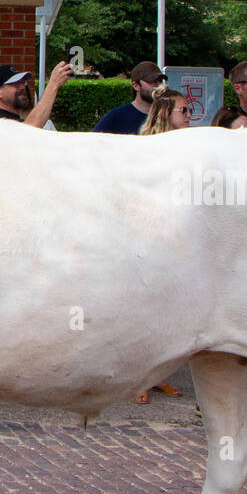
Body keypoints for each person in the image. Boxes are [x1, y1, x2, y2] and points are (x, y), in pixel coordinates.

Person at [133, 85, 190, 404]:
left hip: (175, 243)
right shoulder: (149, 149)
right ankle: (136, 379)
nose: (189, 117)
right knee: (141, 315)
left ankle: (156, 376)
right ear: (166, 114)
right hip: (147, 242)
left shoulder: (186, 149)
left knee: (165, 317)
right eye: (183, 111)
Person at [0, 62, 72, 128]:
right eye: (15, 84)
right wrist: (54, 84)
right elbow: (29, 131)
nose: (22, 87)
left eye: (23, 82)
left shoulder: (14, 120)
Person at [94, 61, 166, 135]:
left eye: (160, 81)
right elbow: (93, 141)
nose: (158, 86)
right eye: (152, 81)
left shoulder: (168, 116)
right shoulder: (116, 117)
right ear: (136, 85)